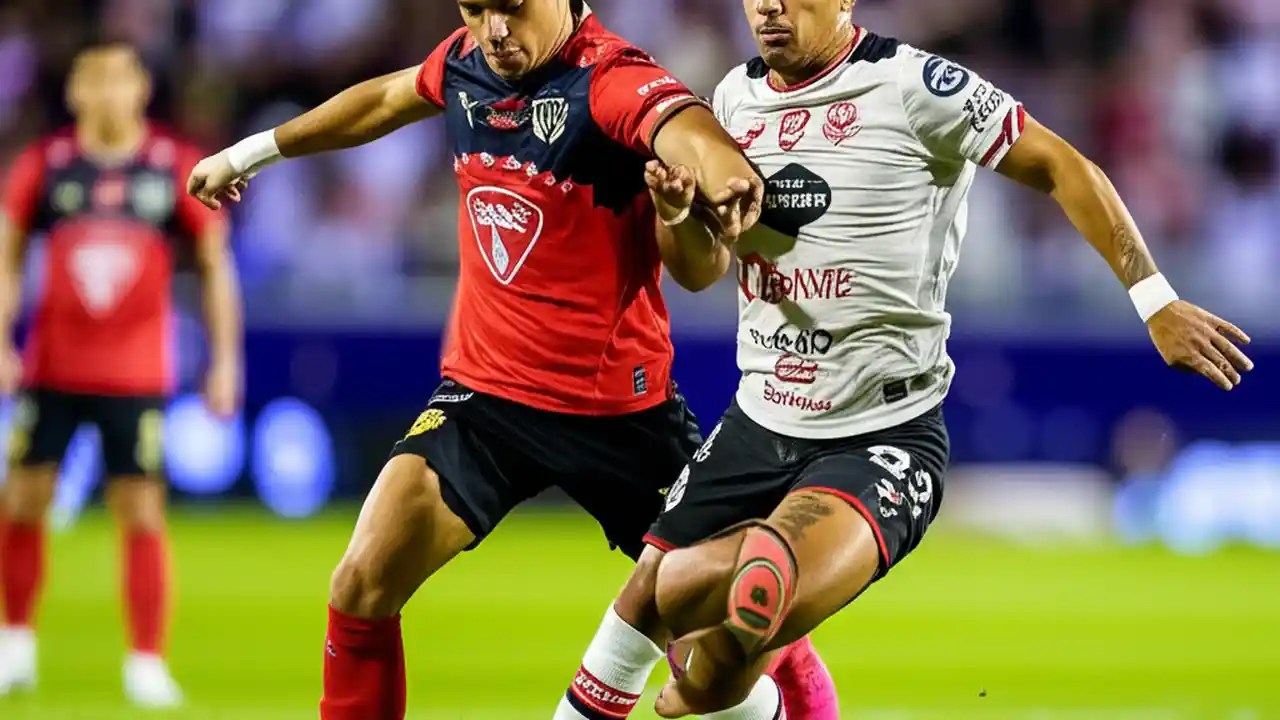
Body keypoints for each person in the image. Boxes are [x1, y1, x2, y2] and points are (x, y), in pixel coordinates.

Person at [565, 0, 1257, 717]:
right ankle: (764, 694)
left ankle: (749, 632)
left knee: (733, 592)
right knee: (686, 649)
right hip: (758, 423)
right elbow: (702, 271)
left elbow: (1060, 163)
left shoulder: (916, 86)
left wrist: (1154, 299)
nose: (767, 6)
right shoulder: (732, 101)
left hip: (879, 435)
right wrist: (681, 217)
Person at [187, 1, 837, 718]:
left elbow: (682, 126)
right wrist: (250, 153)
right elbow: (384, 98)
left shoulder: (610, 78)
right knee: (361, 582)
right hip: (485, 402)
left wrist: (723, 174)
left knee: (739, 633)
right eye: (476, 8)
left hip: (622, 417)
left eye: (514, 9)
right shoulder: (466, 61)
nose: (495, 30)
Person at [0, 42, 242, 707]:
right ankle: (14, 644)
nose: (107, 92)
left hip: (135, 377)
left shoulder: (170, 168)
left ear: (141, 88)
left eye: (119, 78)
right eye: (93, 79)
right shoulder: (46, 165)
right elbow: (8, 257)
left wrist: (226, 362)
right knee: (22, 499)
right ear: (75, 91)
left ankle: (145, 661)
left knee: (140, 512)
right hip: (53, 368)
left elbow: (217, 265)